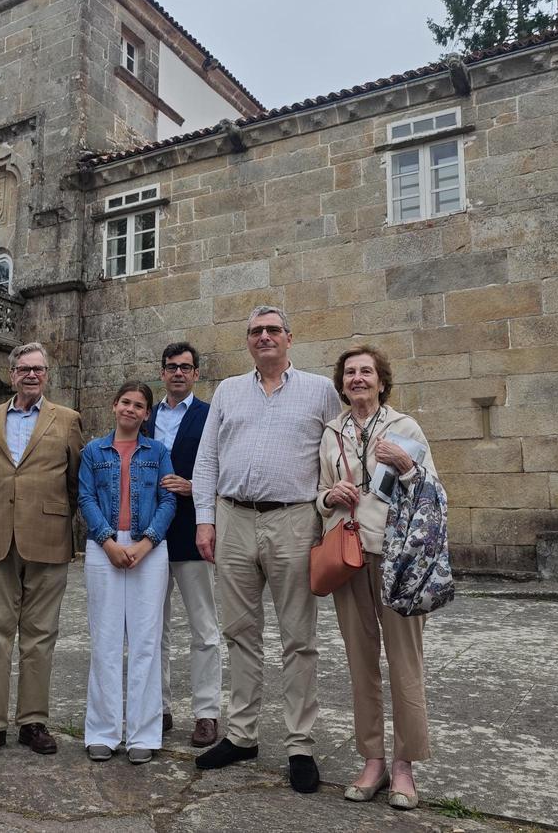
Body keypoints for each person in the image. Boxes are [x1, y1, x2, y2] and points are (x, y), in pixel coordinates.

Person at [191, 306, 341, 793]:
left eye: (273, 330)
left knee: (298, 636)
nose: (264, 337)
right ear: (248, 341)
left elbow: (339, 452)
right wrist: (206, 521)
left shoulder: (320, 390)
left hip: (294, 520)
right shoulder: (229, 391)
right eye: (256, 331)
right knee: (240, 631)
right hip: (233, 517)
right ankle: (242, 734)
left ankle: (300, 744)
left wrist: (329, 516)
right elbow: (207, 460)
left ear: (289, 339)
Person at [316, 345, 438, 810]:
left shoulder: (405, 427)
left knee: (406, 663)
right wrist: (329, 497)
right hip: (348, 557)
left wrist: (407, 467)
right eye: (350, 373)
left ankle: (405, 765)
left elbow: (433, 491)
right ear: (341, 383)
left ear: (382, 381)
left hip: (398, 559)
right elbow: (317, 492)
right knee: (360, 662)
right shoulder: (332, 431)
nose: (358, 379)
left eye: (366, 372)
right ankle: (373, 759)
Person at [0, 342, 84, 758]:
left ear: (47, 374)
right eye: (23, 369)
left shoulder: (68, 420)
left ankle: (33, 722)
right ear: (11, 373)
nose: (31, 375)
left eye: (38, 369)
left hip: (48, 538)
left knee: (39, 637)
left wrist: (62, 522)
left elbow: (75, 481)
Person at [79, 381, 177, 764]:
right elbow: (85, 498)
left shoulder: (158, 452)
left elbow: (169, 498)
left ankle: (143, 734)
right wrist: (107, 541)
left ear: (147, 414)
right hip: (103, 548)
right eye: (125, 402)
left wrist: (145, 543)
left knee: (145, 642)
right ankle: (102, 731)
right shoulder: (92, 451)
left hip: (148, 548)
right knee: (104, 640)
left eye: (139, 405)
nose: (131, 410)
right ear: (114, 405)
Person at [142, 342, 221, 748]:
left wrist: (196, 487)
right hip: (150, 538)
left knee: (203, 627)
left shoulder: (210, 416)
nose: (178, 373)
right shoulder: (146, 416)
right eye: (171, 366)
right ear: (162, 372)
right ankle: (159, 707)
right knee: (153, 627)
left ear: (195, 374)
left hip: (194, 532)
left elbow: (228, 467)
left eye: (185, 367)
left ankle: (207, 713)